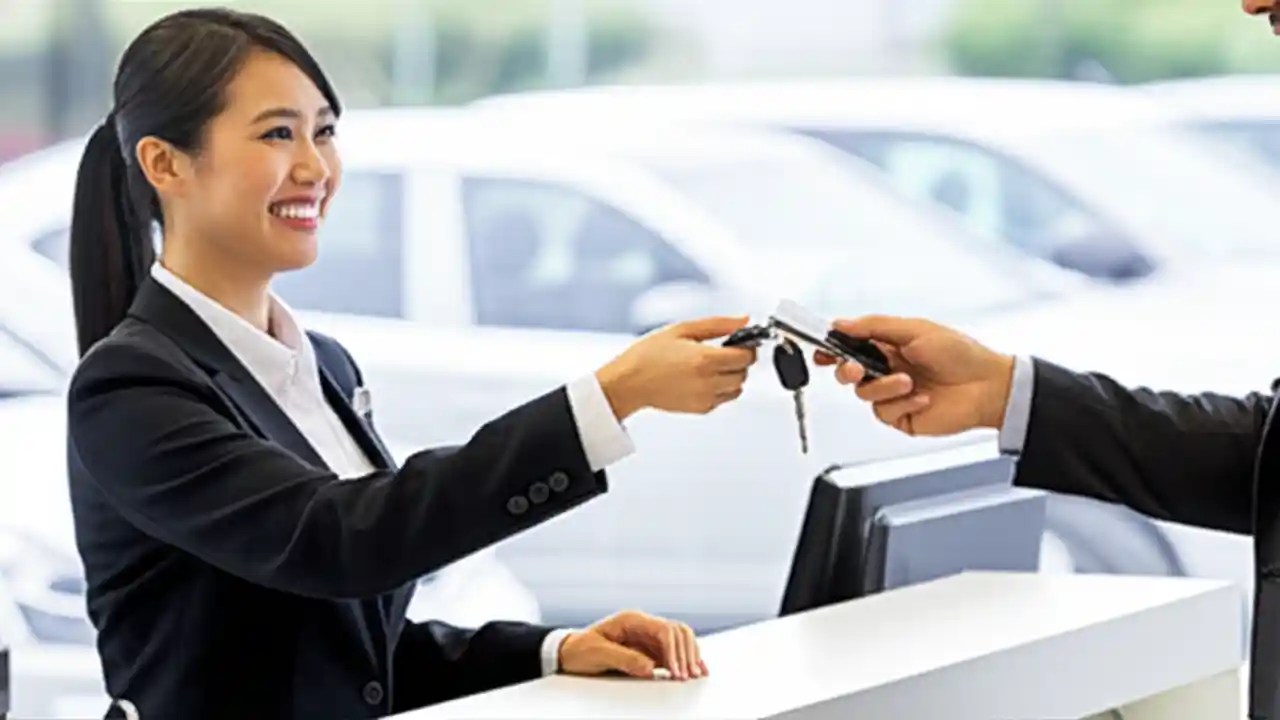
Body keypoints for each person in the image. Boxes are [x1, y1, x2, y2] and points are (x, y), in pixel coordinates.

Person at [65, 9, 757, 719]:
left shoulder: (325, 367)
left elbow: (356, 653)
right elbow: (343, 542)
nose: (315, 169)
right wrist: (611, 397)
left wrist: (552, 651)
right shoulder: (130, 389)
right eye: (277, 134)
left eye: (324, 132)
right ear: (165, 164)